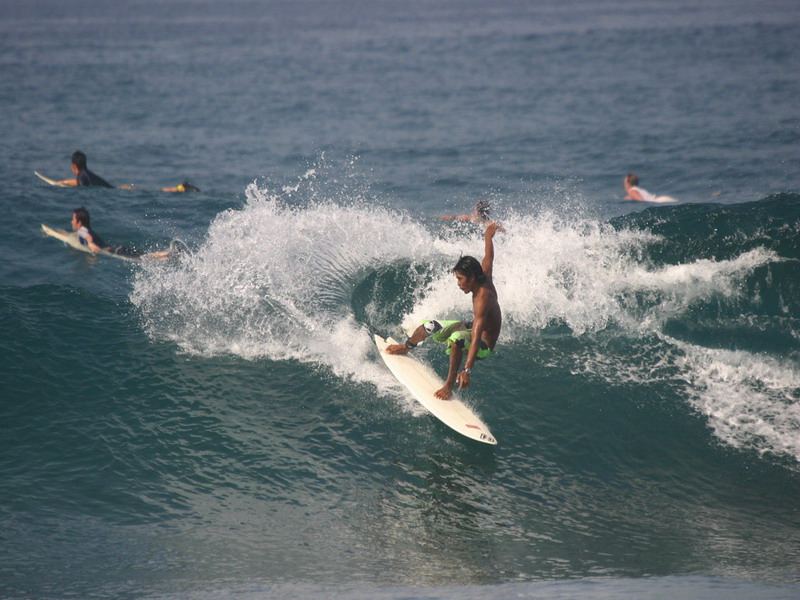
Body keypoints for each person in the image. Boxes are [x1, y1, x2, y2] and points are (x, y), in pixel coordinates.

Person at [386, 221, 503, 399]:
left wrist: (467, 370)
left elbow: (478, 334)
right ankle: (406, 346)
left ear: (471, 277)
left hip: (483, 345)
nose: (458, 284)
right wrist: (488, 235)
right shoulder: (483, 274)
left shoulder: (482, 299)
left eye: (460, 279)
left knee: (457, 339)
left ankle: (448, 386)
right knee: (430, 326)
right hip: (471, 328)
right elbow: (489, 257)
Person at [71, 207, 179, 261]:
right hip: (118, 248)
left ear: (79, 222)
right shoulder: (86, 229)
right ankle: (169, 252)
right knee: (146, 255)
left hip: (113, 251)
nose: (72, 221)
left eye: (73, 219)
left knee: (144, 259)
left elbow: (88, 237)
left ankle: (168, 258)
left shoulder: (81, 230)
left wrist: (92, 246)